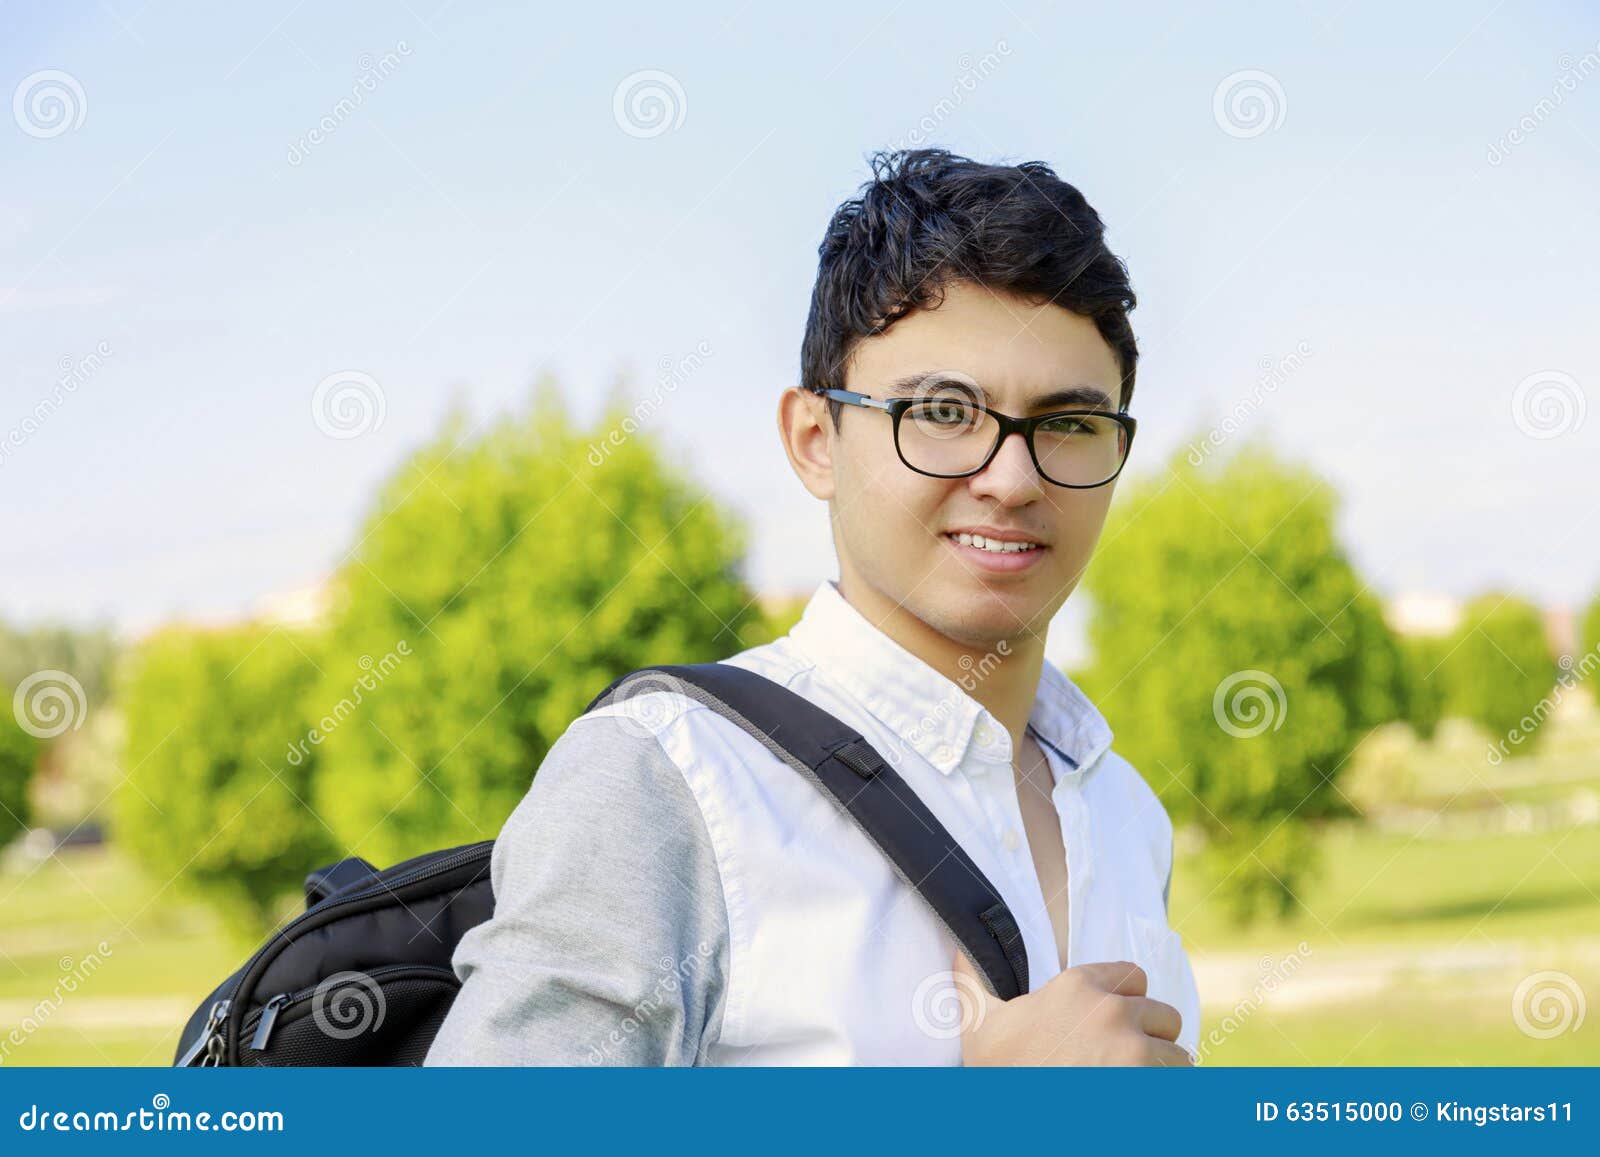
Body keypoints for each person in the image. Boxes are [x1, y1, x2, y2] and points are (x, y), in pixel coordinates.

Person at [423, 147, 1201, 1067]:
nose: (1011, 478)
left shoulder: (1121, 805)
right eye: (944, 412)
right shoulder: (666, 779)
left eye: (1069, 424)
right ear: (813, 438)